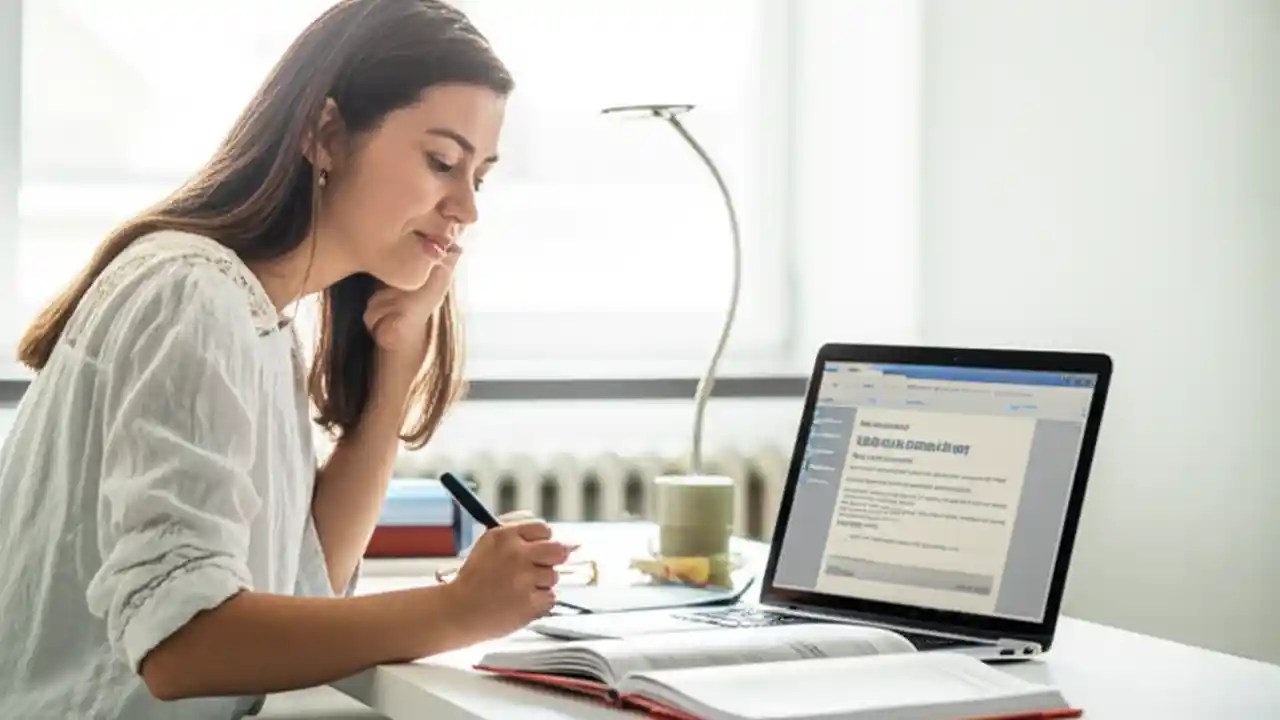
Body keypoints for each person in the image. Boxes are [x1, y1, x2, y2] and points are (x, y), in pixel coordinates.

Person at [0, 1, 573, 718]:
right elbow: (185, 644)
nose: (467, 208)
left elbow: (309, 586)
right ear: (326, 134)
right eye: (442, 162)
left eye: (479, 177)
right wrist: (457, 609)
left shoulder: (257, 319)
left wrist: (397, 360)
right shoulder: (194, 298)